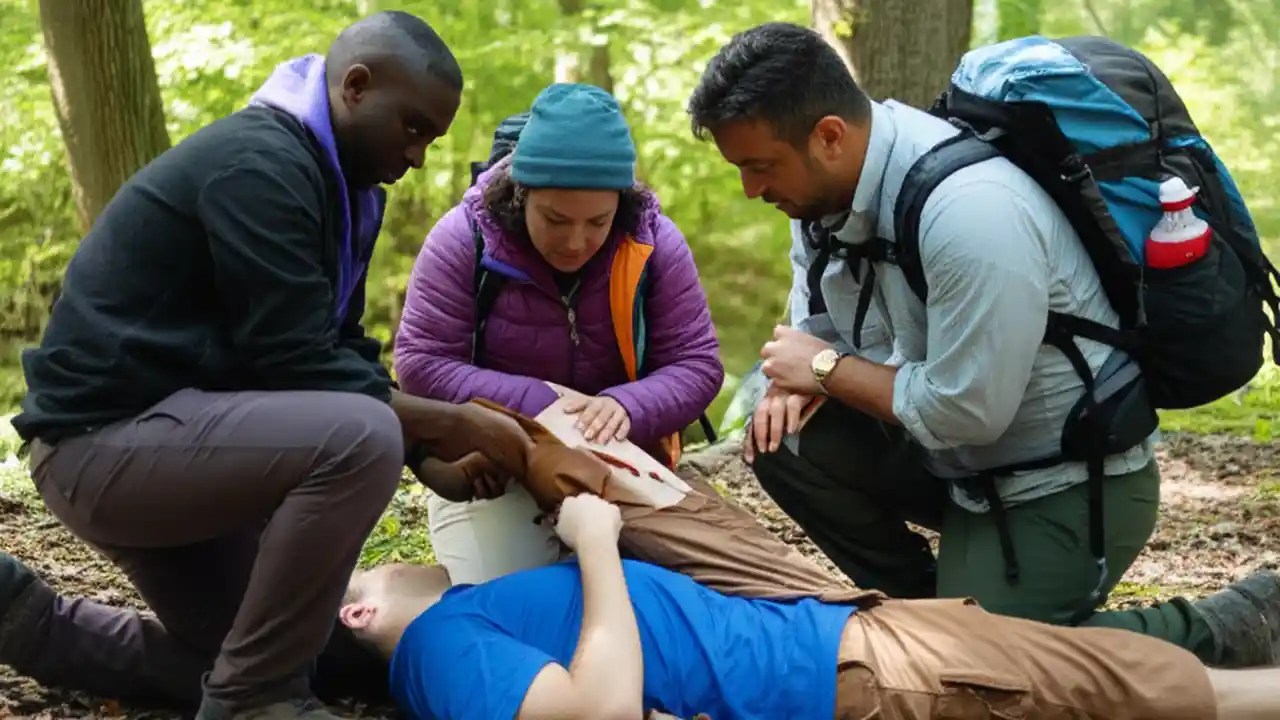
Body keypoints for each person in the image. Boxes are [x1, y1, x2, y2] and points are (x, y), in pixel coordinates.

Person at [682, 21, 1280, 668]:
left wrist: (823, 371)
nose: (750, 189)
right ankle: (934, 624)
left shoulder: (969, 210)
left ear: (829, 135)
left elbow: (964, 410)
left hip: (1064, 480)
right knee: (786, 442)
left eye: (759, 166)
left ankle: (1235, 622)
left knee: (993, 671)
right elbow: (817, 329)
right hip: (962, 468)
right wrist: (791, 383)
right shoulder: (823, 200)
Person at [0, 11, 535, 720]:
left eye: (430, 139)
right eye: (412, 128)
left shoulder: (346, 189)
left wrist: (425, 455)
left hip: (185, 447)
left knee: (293, 651)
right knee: (358, 438)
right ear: (355, 86)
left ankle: (27, 619)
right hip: (102, 445)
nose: (418, 157)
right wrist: (456, 423)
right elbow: (293, 362)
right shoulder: (261, 165)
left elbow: (333, 345)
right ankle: (254, 703)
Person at [338, 493, 1279, 720]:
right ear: (357, 616)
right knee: (1178, 695)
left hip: (859, 638)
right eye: (356, 573)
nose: (382, 561)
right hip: (856, 679)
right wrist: (590, 547)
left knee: (1151, 686)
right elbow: (595, 716)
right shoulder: (436, 644)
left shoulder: (476, 615)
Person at [393, 82, 724, 585]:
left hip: (622, 464)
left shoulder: (652, 242)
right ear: (520, 192)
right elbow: (421, 363)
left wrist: (626, 407)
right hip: (497, 468)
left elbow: (697, 364)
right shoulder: (465, 238)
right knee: (510, 602)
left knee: (668, 603)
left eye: (598, 222)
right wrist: (539, 406)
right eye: (555, 219)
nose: (575, 242)